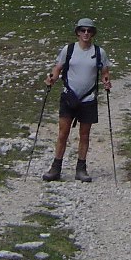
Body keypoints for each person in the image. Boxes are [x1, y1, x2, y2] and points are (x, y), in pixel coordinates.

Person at [42, 17, 112, 182]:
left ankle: (81, 168)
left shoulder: (99, 52)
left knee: (85, 135)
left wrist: (106, 82)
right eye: (83, 30)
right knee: (62, 134)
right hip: (69, 96)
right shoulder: (69, 49)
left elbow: (105, 72)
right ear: (78, 33)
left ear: (93, 33)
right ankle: (55, 167)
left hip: (89, 98)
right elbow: (58, 68)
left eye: (89, 31)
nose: (86, 33)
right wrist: (52, 78)